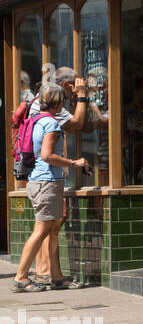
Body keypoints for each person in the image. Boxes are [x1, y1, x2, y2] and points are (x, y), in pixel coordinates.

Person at [12, 85, 88, 292]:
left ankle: (57, 277)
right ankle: (21, 277)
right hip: (47, 183)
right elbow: (47, 155)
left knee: (52, 229)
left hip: (39, 181)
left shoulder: (36, 120)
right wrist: (73, 163)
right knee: (42, 230)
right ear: (60, 102)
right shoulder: (51, 124)